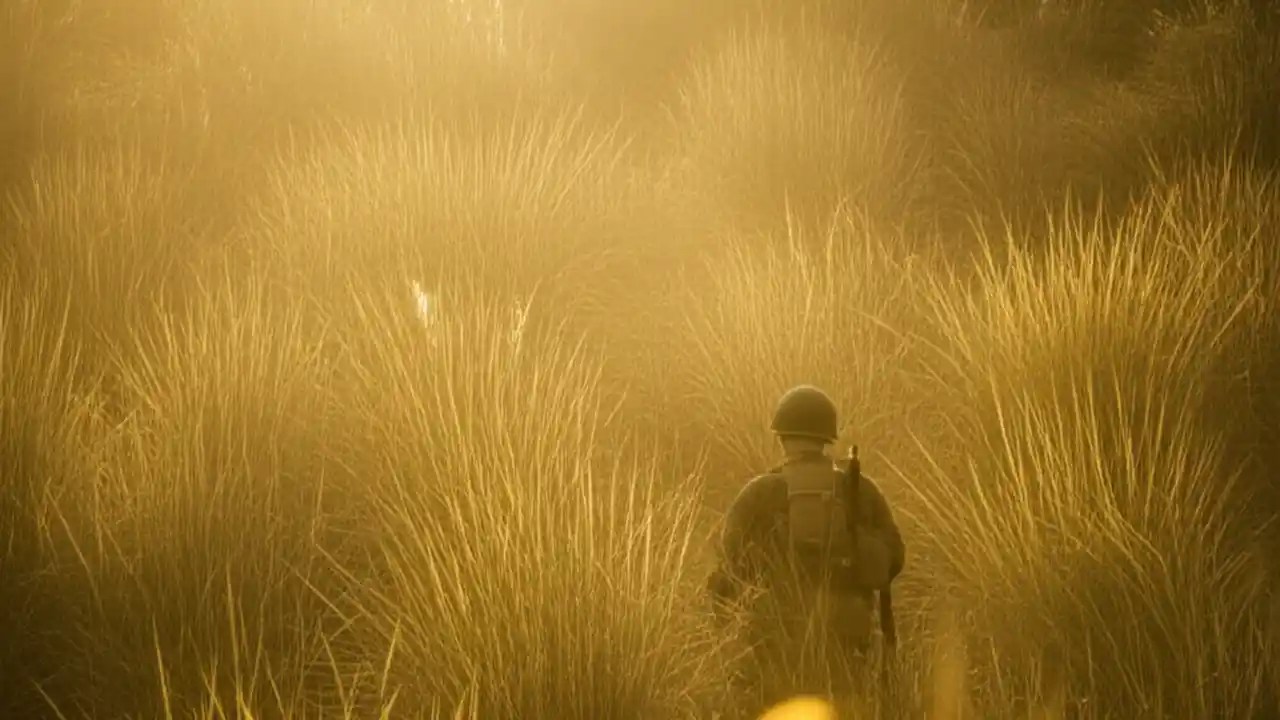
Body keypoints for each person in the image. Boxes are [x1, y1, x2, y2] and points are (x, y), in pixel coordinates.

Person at [707, 385, 905, 716]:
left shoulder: (759, 493)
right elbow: (895, 557)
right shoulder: (858, 489)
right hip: (847, 641)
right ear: (828, 437)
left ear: (782, 437)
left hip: (774, 642)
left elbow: (728, 569)